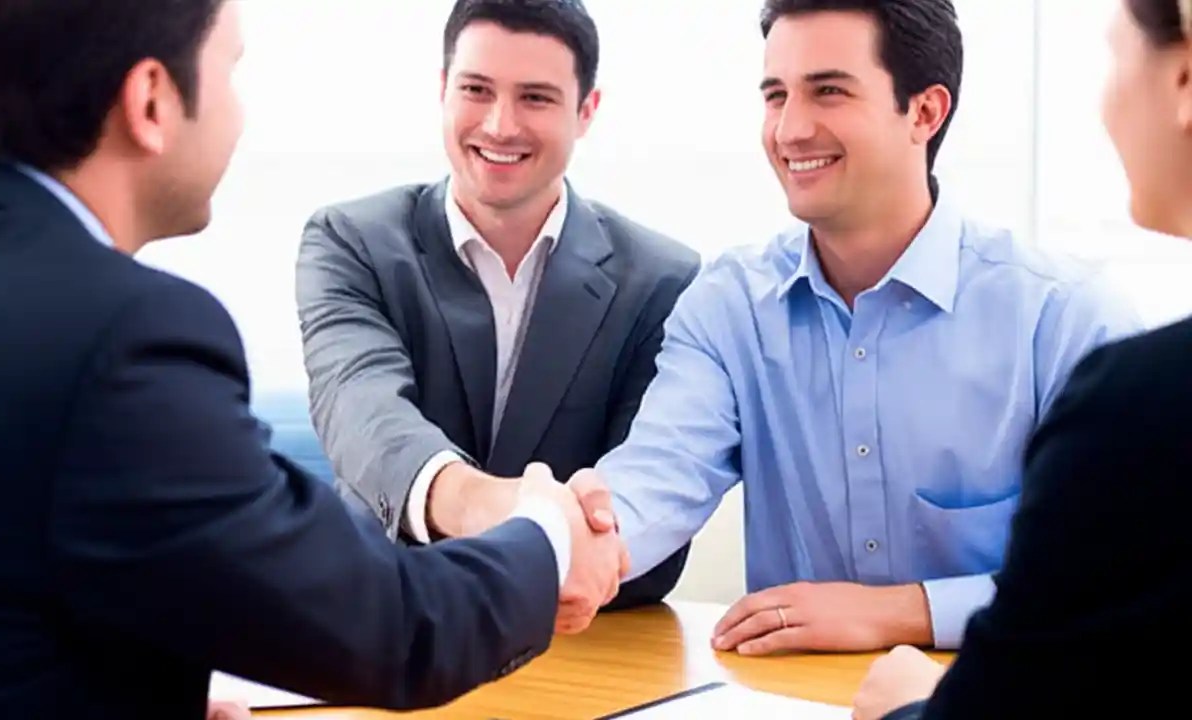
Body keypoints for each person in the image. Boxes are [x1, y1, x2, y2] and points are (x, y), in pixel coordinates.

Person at [0, 2, 627, 718]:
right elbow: (394, 631)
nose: (239, 114)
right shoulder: (120, 340)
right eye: (231, 70)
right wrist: (546, 529)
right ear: (152, 101)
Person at [570, 0, 1144, 652]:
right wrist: (572, 535)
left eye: (829, 91)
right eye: (775, 95)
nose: (789, 130)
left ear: (925, 112)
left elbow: (1123, 569)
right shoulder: (729, 306)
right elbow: (654, 484)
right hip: (792, 698)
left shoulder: (1065, 319)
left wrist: (908, 612)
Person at [296, 0, 699, 609]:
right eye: (477, 90)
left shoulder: (662, 280)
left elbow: (649, 495)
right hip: (388, 621)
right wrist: (499, 510)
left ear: (586, 111)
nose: (500, 125)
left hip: (581, 640)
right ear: (442, 90)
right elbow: (362, 409)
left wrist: (575, 545)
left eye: (535, 98)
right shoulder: (351, 242)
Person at [852, 0, 1192, 715]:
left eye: (1115, 57)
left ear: (1183, 79)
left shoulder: (1137, 400)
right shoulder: (732, 292)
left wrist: (909, 706)